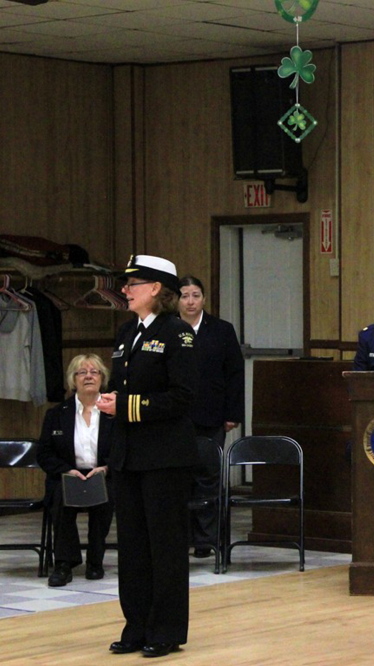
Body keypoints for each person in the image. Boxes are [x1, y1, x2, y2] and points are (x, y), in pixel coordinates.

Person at [97, 254, 198, 659]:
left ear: (156, 289)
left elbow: (182, 397)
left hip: (164, 455)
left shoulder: (178, 334)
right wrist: (113, 403)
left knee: (166, 547)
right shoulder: (126, 333)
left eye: (132, 284)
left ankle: (166, 630)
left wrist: (126, 406)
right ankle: (136, 625)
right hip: (129, 455)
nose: (124, 290)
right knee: (133, 547)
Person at [178, 275, 244, 558]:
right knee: (180, 477)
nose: (190, 301)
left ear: (204, 298)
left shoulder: (221, 330)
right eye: (185, 296)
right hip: (175, 417)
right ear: (177, 300)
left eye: (195, 295)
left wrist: (233, 413)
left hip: (212, 414)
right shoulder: (168, 329)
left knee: (208, 477)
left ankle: (206, 539)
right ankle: (181, 537)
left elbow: (234, 373)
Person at [36, 353, 115, 587]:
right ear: (73, 379)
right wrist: (67, 471)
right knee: (60, 498)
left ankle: (95, 562)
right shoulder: (56, 414)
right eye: (82, 372)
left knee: (107, 496)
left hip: (103, 474)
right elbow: (44, 454)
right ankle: (63, 563)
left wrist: (106, 467)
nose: (89, 376)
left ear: (102, 378)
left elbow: (125, 448)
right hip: (68, 475)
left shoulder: (114, 413)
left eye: (94, 372)